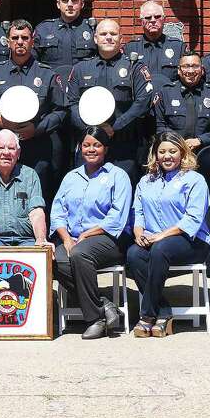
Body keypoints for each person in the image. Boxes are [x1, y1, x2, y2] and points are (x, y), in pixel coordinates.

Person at [125, 132, 210, 338]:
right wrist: (138, 233)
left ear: (182, 153)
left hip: (192, 241)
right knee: (133, 254)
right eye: (162, 151)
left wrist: (161, 236)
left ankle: (147, 315)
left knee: (160, 249)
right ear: (155, 154)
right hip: (154, 240)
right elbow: (138, 212)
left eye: (172, 151)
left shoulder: (194, 180)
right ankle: (163, 313)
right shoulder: (146, 181)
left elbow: (193, 218)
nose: (167, 156)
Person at [51, 128, 131, 340]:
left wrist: (85, 236)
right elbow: (57, 211)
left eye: (96, 145)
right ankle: (104, 305)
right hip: (73, 239)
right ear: (80, 148)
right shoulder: (71, 177)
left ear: (105, 148)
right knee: (52, 260)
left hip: (107, 239)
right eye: (86, 145)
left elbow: (117, 217)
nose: (91, 149)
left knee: (79, 254)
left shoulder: (118, 176)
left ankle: (94, 319)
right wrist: (66, 238)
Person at [0, 19, 65, 200]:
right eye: (15, 37)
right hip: (3, 150)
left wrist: (38, 128)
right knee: (1, 196)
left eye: (25, 38)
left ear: (32, 41)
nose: (20, 42)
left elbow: (61, 110)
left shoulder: (47, 73)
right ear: (8, 41)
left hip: (37, 147)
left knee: (37, 198)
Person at [65, 19, 155, 183]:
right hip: (90, 145)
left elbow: (143, 102)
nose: (108, 37)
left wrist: (114, 127)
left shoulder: (134, 67)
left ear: (121, 39)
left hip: (124, 145)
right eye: (103, 34)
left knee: (123, 192)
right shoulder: (80, 68)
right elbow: (71, 103)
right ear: (95, 38)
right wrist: (90, 130)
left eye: (113, 34)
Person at [153, 50, 210, 198]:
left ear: (202, 70)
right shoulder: (165, 93)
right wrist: (178, 144)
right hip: (174, 153)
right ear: (179, 70)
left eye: (195, 66)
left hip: (205, 155)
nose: (190, 71)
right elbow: (159, 125)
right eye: (186, 66)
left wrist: (200, 141)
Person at [33, 0, 97, 67]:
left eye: (74, 1)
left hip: (83, 79)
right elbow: (32, 61)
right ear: (58, 4)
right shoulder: (43, 29)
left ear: (82, 4)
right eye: (65, 1)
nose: (70, 4)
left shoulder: (92, 29)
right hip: (52, 79)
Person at [124, 0, 184, 85]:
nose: (152, 20)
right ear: (142, 22)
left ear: (164, 19)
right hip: (142, 97)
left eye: (157, 16)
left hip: (169, 97)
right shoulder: (130, 48)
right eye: (148, 17)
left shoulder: (178, 47)